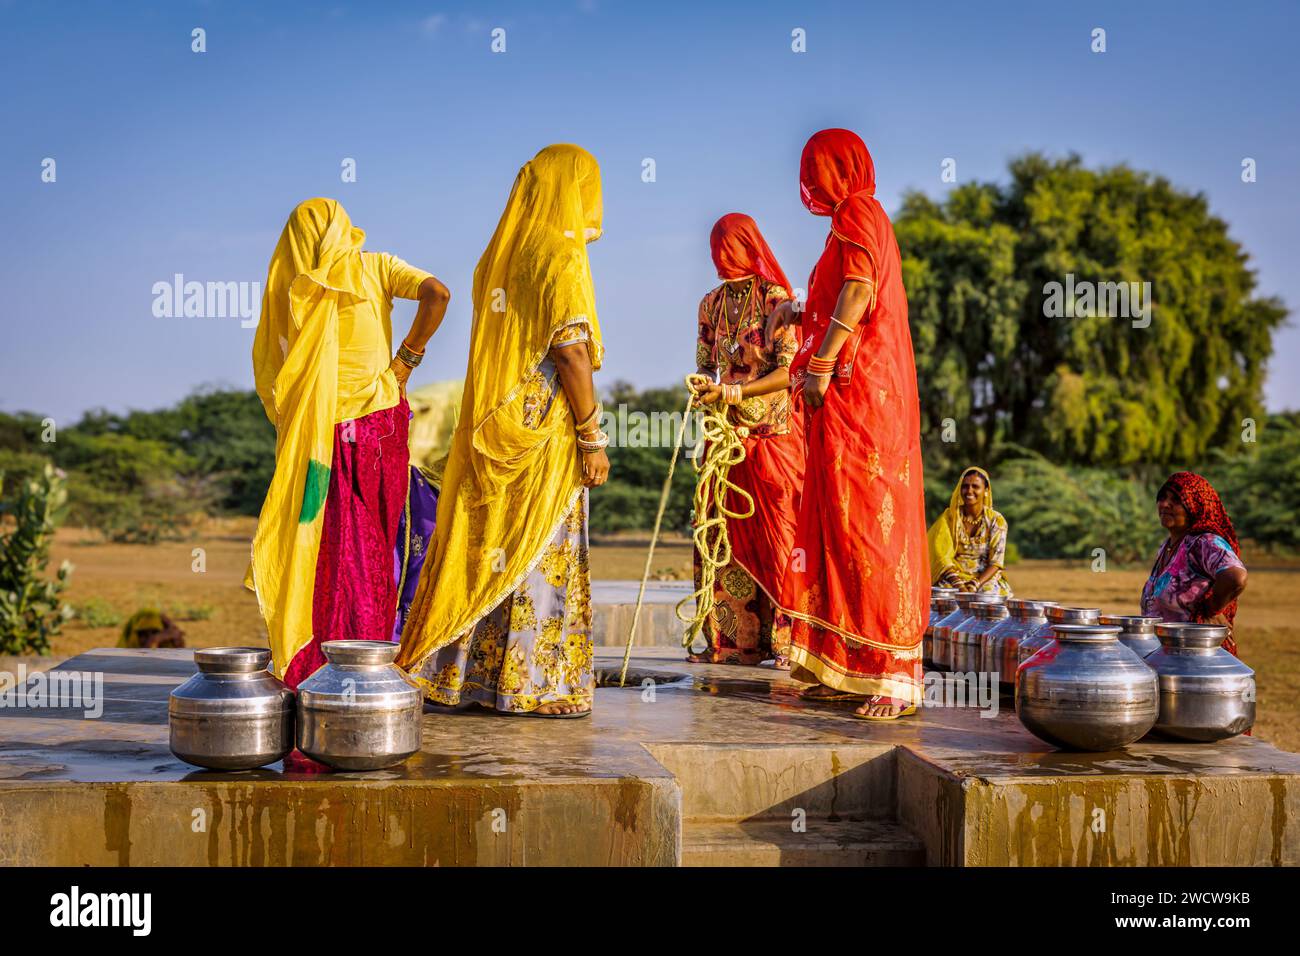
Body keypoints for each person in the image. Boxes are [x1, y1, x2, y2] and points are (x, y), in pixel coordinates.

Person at [397, 144, 608, 718]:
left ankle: (466, 678)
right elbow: (569, 353)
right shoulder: (559, 257)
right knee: (539, 550)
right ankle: (531, 683)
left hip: (496, 428)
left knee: (491, 549)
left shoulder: (503, 256)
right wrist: (592, 434)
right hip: (543, 431)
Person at [248, 198, 450, 688]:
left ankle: (319, 663)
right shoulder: (375, 266)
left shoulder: (293, 289)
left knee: (316, 538)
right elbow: (437, 294)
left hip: (321, 444)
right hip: (379, 430)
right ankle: (368, 659)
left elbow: (279, 371)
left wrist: (403, 361)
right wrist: (406, 361)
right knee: (372, 545)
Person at [777, 128, 929, 720]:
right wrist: (795, 311)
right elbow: (837, 291)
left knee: (872, 526)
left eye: (816, 169)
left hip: (862, 390)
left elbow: (860, 290)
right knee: (836, 523)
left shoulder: (859, 213)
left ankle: (893, 674)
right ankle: (842, 667)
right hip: (844, 395)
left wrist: (821, 358)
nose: (810, 182)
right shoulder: (850, 221)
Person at [686, 213, 805, 667]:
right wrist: (704, 386)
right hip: (725, 437)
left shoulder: (776, 300)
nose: (721, 253)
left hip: (772, 436)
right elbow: (704, 364)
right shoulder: (709, 304)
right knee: (721, 535)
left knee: (778, 534)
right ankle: (735, 640)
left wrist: (736, 390)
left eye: (729, 244)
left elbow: (787, 370)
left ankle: (789, 640)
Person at [1141, 471, 1247, 655]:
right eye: (1162, 497)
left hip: (1197, 659)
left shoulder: (1203, 543)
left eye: (1176, 500)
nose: (1165, 504)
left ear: (1196, 506)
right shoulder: (1168, 546)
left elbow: (1235, 577)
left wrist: (1212, 609)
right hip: (1167, 656)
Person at [926, 466, 1013, 595]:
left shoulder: (996, 520)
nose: (969, 491)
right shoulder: (950, 517)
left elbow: (996, 562)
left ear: (986, 490)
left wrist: (974, 584)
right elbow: (941, 556)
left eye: (975, 486)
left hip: (985, 579)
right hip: (953, 578)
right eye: (965, 486)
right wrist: (958, 584)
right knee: (942, 596)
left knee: (988, 595)